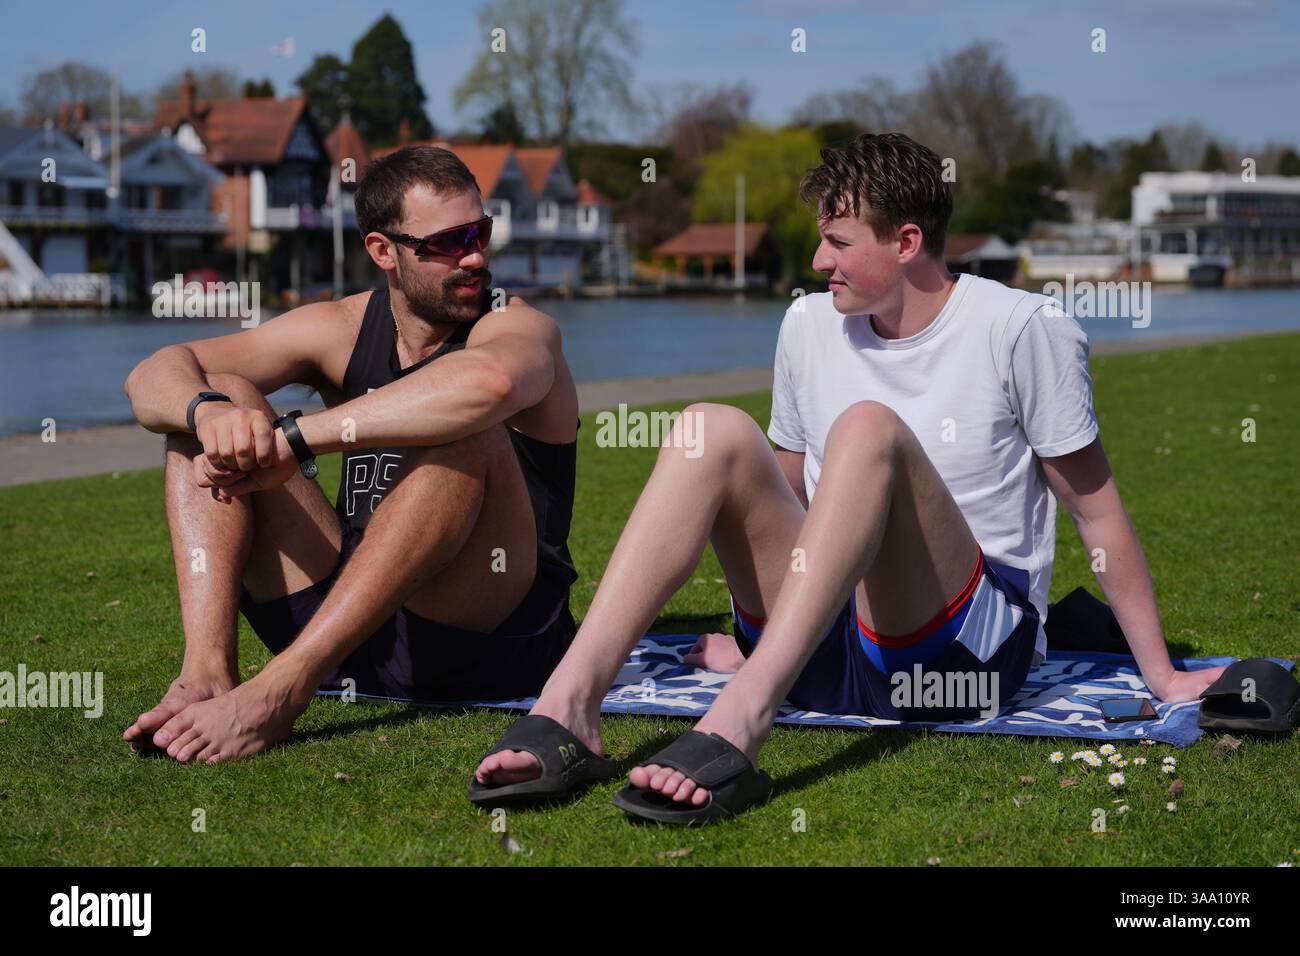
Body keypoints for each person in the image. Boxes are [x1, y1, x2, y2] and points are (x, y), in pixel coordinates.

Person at [470, 132, 1225, 824]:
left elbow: (1095, 512)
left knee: (867, 427)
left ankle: (741, 719)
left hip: (961, 657)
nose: (818, 262)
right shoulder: (808, 323)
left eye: (837, 242)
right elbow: (786, 496)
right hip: (831, 656)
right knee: (708, 426)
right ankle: (570, 706)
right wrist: (760, 629)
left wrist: (1161, 677)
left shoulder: (1022, 328)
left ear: (906, 241)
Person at [121, 146, 582, 765]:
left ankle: (282, 689)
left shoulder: (517, 326)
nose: (474, 256)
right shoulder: (340, 328)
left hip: (485, 637)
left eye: (480, 232)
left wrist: (299, 437)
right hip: (350, 626)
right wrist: (210, 414)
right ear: (383, 251)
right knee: (216, 400)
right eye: (447, 242)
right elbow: (154, 373)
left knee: (473, 428)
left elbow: (491, 385)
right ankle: (207, 672)